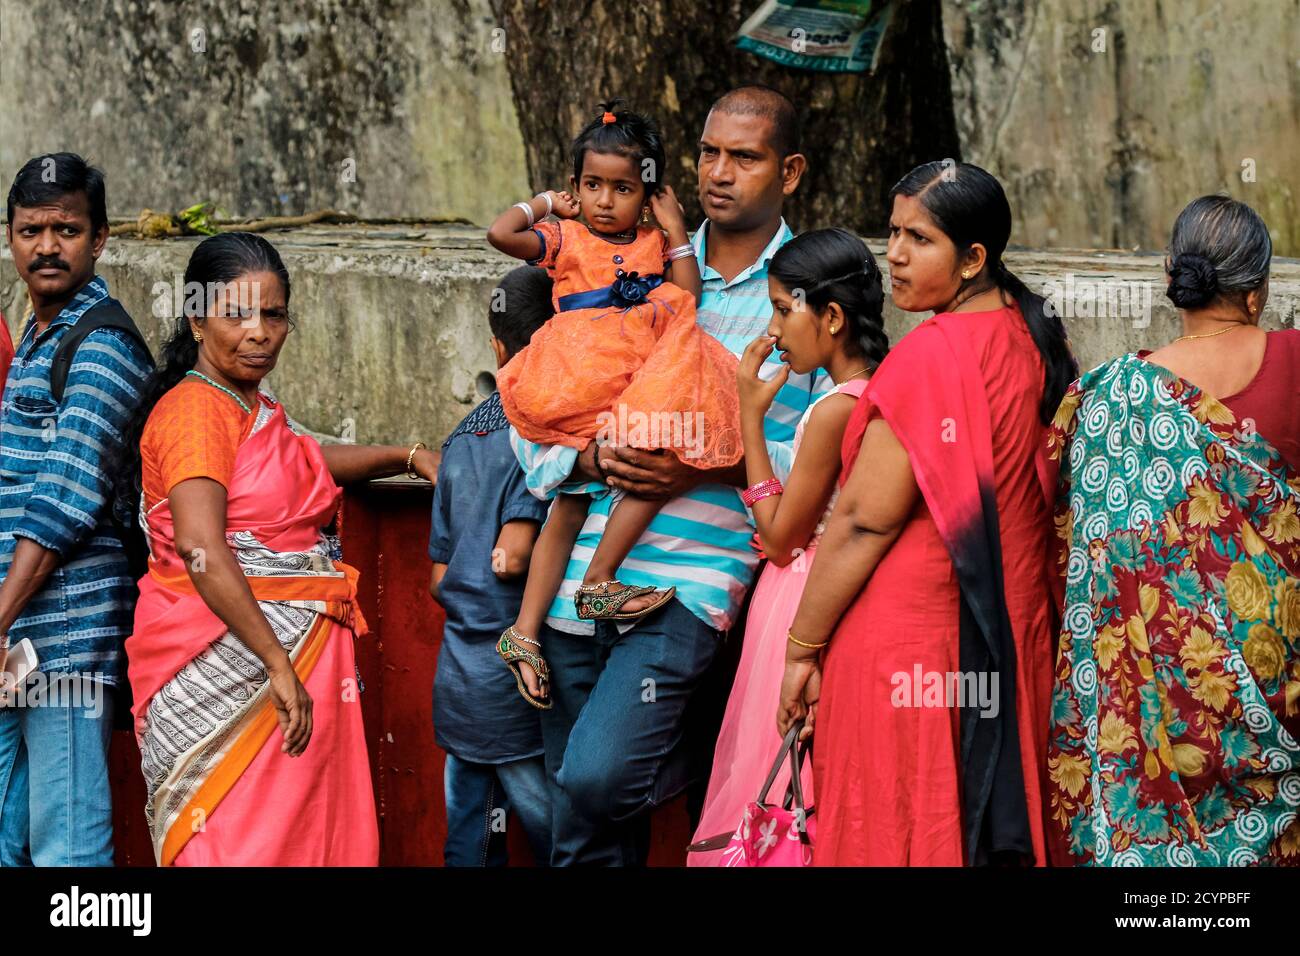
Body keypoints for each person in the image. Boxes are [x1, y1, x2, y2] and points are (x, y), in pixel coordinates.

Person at [510, 85, 816, 865]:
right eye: (709, 152)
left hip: (691, 580)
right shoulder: (626, 255)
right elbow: (550, 397)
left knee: (593, 778)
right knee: (580, 835)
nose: (719, 172)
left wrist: (695, 474)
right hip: (576, 574)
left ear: (789, 173)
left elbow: (814, 460)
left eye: (744, 157)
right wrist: (584, 459)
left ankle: (694, 753)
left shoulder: (806, 294)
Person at [778, 161, 1078, 867]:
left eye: (921, 238)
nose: (898, 255)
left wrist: (800, 648)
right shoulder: (1034, 332)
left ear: (973, 258)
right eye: (892, 232)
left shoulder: (931, 355)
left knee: (903, 826)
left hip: (911, 645)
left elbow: (861, 522)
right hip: (1006, 631)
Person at [118, 232, 439, 866]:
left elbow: (302, 461)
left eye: (274, 314)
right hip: (229, 669)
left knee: (295, 841)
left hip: (286, 666)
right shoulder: (195, 413)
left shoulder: (252, 406)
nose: (259, 332)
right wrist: (276, 665)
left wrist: (405, 456)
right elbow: (202, 546)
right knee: (240, 843)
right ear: (196, 317)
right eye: (236, 314)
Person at [1046, 195, 1300, 865]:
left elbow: (1081, 561)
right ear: (1259, 289)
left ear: (1171, 276)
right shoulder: (1294, 361)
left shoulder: (1109, 399)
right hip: (1284, 682)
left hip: (1159, 715)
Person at [488, 99, 743, 707]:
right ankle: (568, 601)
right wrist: (549, 203)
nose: (604, 200)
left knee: (625, 476)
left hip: (633, 375)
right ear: (576, 186)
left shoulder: (656, 241)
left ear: (648, 193)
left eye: (623, 188)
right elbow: (501, 235)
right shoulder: (565, 237)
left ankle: (545, 617)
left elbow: (686, 299)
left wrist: (676, 231)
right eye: (592, 185)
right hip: (577, 372)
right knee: (583, 491)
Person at [689, 228, 889, 865]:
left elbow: (778, 539)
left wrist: (749, 414)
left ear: (830, 317)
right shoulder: (876, 386)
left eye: (782, 309)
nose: (772, 331)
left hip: (798, 594)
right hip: (824, 589)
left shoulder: (837, 407)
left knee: (773, 768)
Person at [0, 153, 154, 867]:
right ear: (11, 238)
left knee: (67, 852)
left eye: (67, 228)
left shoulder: (102, 347)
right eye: (31, 230)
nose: (48, 246)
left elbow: (62, 502)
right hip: (15, 635)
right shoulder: (37, 338)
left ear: (100, 239)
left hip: (64, 639)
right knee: (15, 841)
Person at [428, 266, 555, 866]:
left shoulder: (460, 440)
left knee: (471, 838)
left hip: (458, 675)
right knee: (556, 832)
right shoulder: (539, 436)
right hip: (512, 681)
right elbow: (512, 557)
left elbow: (437, 577)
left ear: (498, 347)